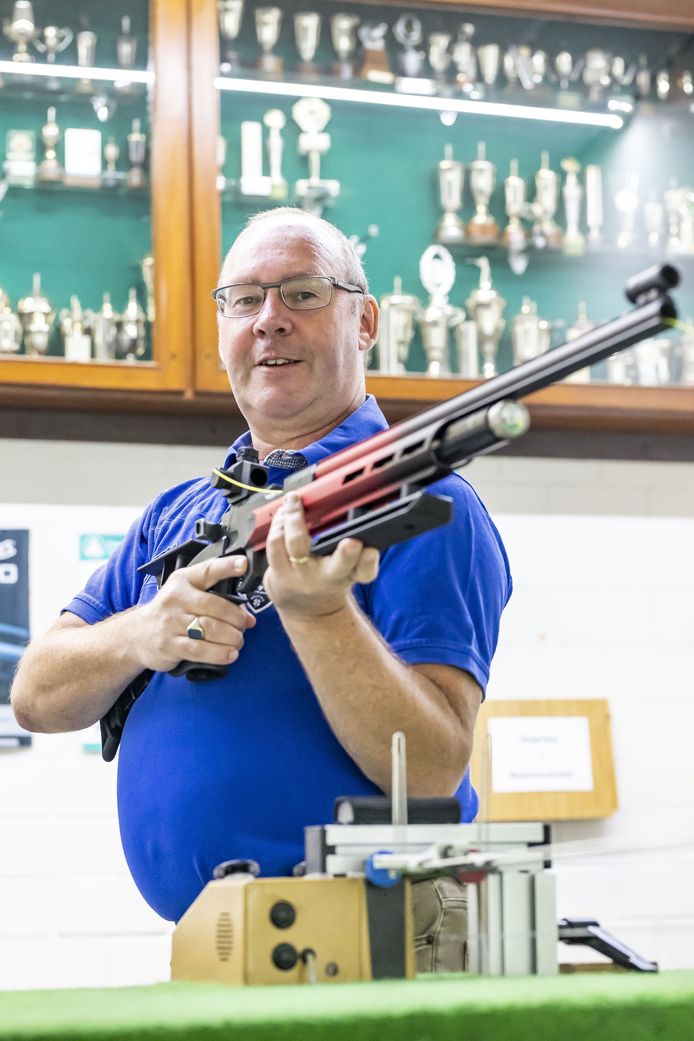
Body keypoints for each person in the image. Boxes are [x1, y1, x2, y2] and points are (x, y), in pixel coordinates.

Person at [11, 208, 511, 974]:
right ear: (222, 329)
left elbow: (431, 769)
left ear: (365, 322)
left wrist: (320, 613)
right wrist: (144, 631)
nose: (269, 319)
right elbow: (36, 695)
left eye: (302, 293)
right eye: (244, 299)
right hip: (218, 945)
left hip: (378, 939)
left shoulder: (422, 503)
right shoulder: (181, 512)